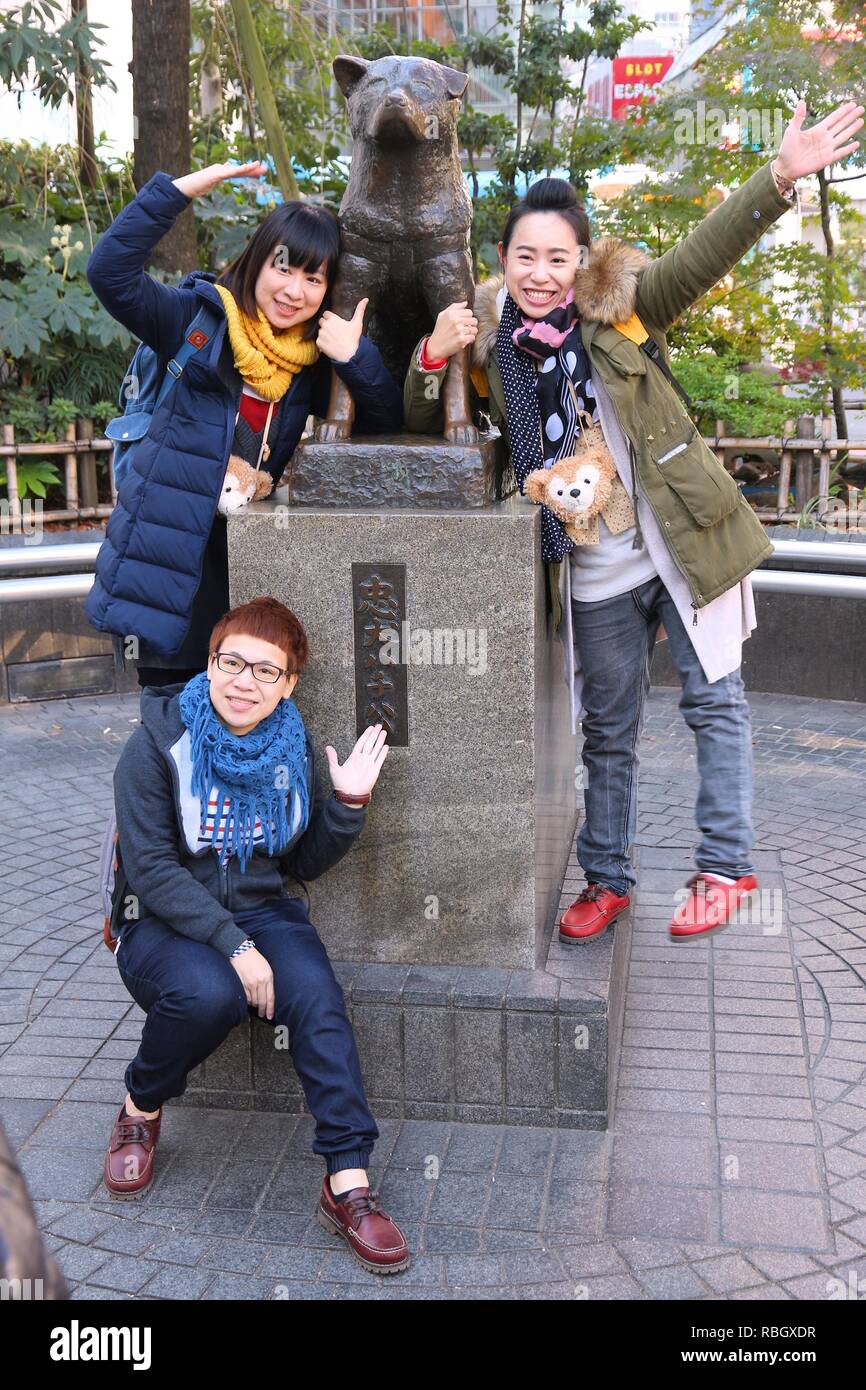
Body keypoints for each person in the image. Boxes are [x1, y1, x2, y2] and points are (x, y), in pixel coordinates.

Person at [403, 100, 863, 943]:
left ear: (582, 262)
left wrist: (778, 177)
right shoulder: (485, 336)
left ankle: (725, 867)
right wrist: (432, 353)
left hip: (677, 539)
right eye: (526, 256)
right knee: (607, 732)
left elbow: (702, 252)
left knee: (714, 700)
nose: (542, 272)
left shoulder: (621, 308)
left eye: (559, 257)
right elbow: (419, 414)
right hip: (588, 571)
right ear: (502, 259)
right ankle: (607, 879)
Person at [103, 596, 410, 1276]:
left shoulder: (289, 745)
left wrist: (348, 807)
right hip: (160, 922)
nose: (244, 681)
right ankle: (140, 1103)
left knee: (318, 999)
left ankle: (348, 1181)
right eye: (231, 662)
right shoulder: (158, 740)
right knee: (210, 993)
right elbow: (151, 871)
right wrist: (234, 947)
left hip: (264, 911)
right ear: (210, 664)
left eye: (264, 670)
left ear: (289, 683)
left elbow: (294, 863)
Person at [85, 161, 403, 688]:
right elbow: (109, 273)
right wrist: (178, 191)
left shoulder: (311, 359)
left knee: (245, 735)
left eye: (313, 277)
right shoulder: (196, 321)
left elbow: (387, 427)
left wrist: (355, 358)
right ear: (257, 261)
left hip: (254, 574)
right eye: (283, 267)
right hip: (171, 573)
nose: (293, 290)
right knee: (174, 734)